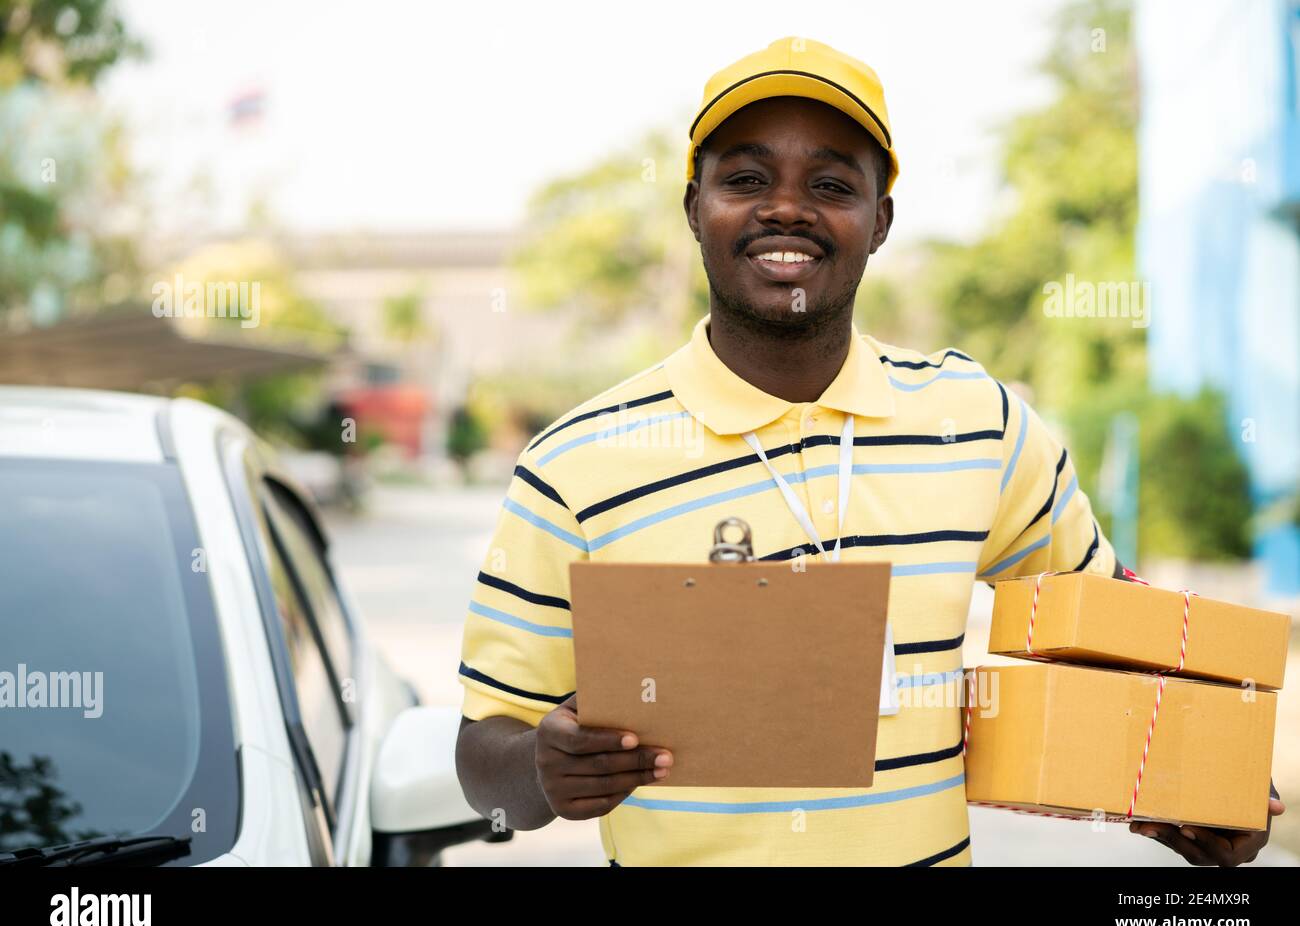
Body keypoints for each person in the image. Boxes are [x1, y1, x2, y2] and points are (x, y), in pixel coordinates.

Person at [454, 36, 1283, 866]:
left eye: (831, 185)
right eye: (745, 179)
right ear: (693, 207)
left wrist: (1208, 777)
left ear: (879, 220)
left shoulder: (979, 423)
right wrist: (539, 767)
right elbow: (482, 761)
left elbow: (1114, 634)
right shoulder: (575, 465)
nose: (786, 209)